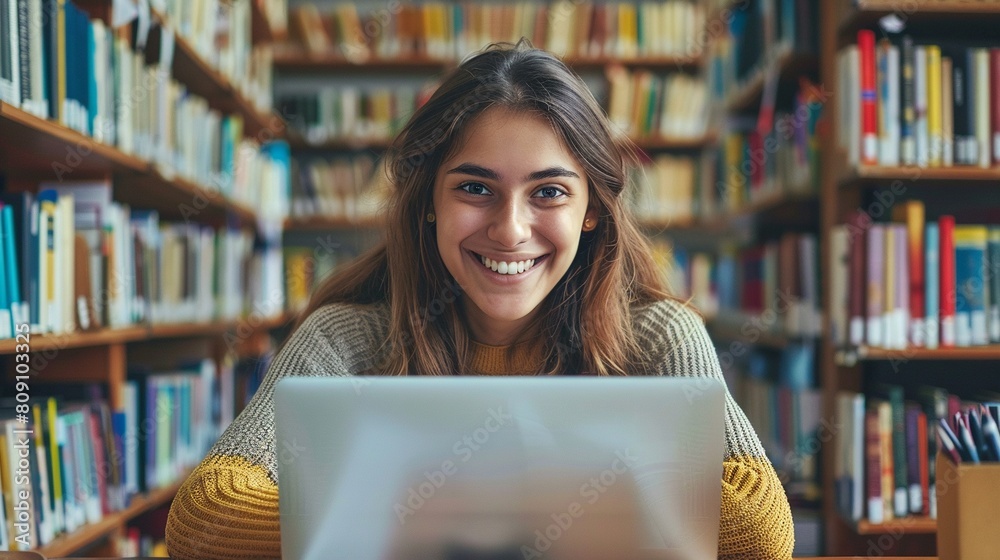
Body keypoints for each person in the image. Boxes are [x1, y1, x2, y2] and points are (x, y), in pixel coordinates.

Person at [165, 41, 794, 559]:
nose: (510, 230)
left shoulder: (658, 337)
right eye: (475, 188)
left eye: (549, 192)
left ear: (593, 212)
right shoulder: (346, 341)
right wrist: (590, 508)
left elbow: (760, 533)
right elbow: (206, 517)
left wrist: (405, 513)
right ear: (430, 203)